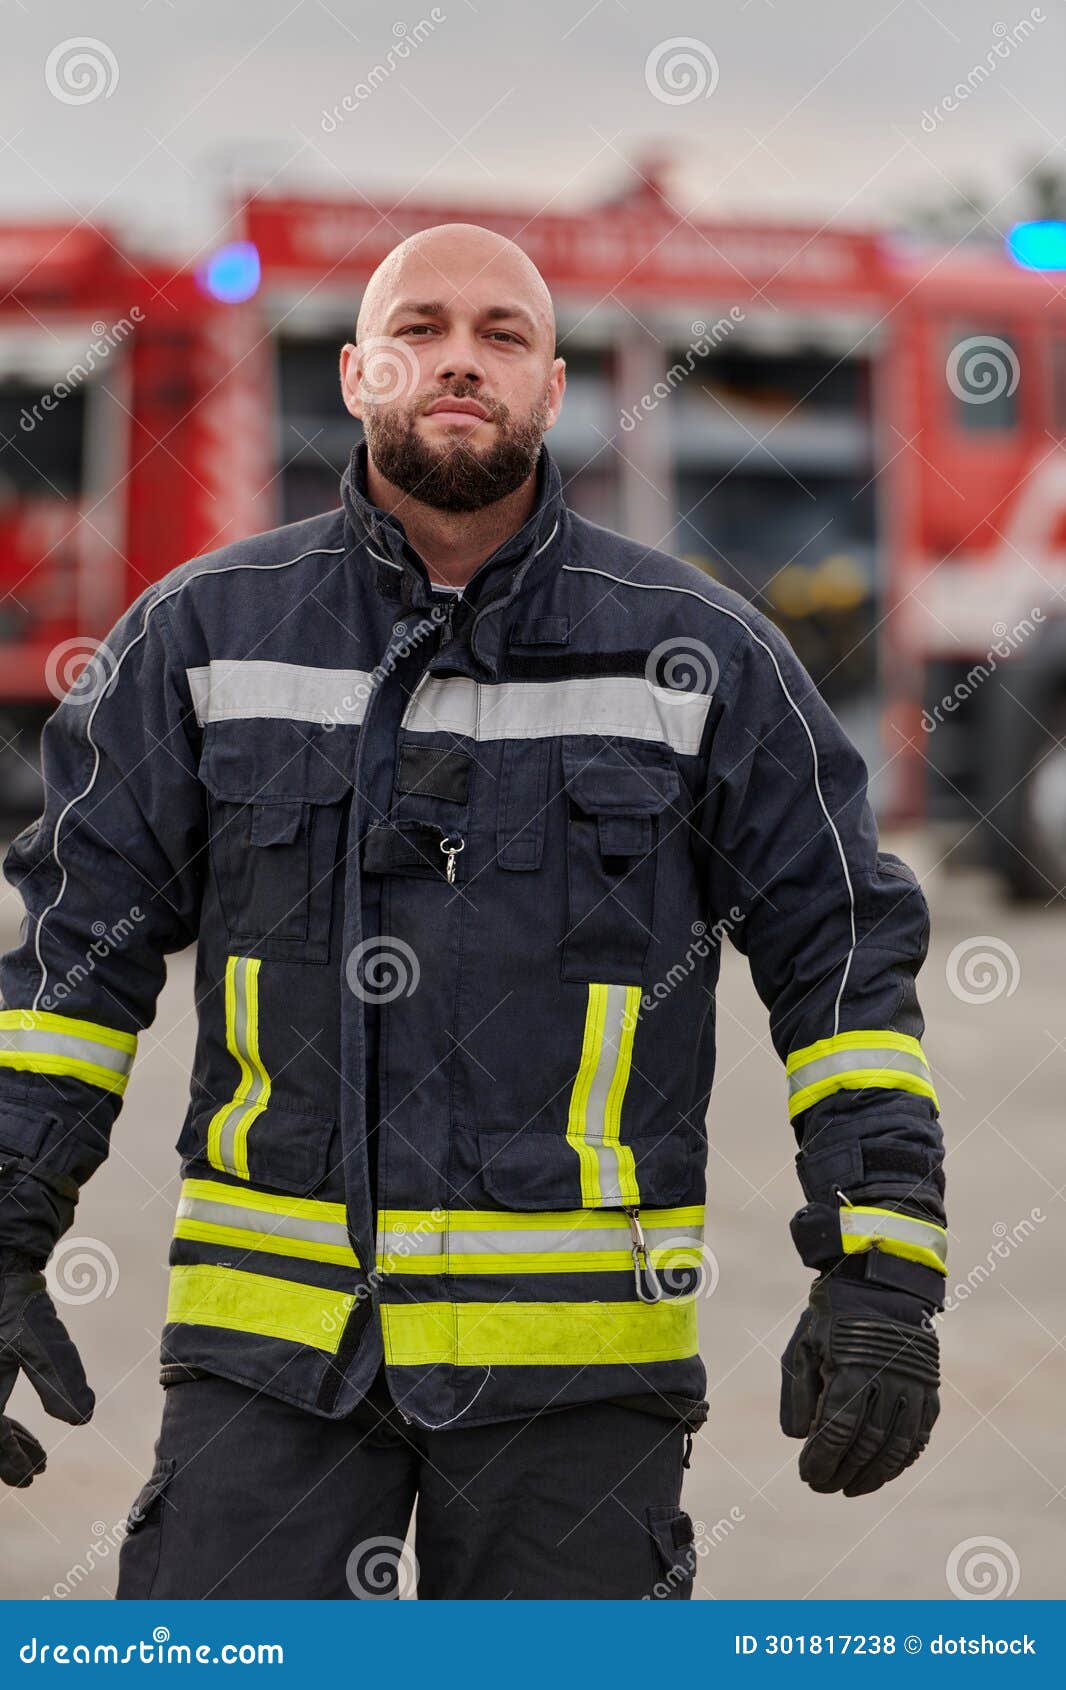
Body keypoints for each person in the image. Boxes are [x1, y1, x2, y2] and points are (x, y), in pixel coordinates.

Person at [0, 224, 946, 1600]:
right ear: (357, 369)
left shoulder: (700, 655)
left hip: (577, 1389)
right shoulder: (202, 639)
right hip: (271, 1375)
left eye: (500, 336)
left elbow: (845, 966)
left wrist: (884, 1270)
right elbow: (72, 972)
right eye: (422, 328)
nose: (461, 359)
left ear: (554, 386)